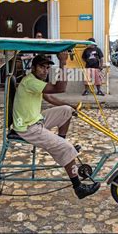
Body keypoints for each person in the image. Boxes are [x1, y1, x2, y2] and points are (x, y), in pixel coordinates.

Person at [12, 54, 100, 199]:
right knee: (67, 148)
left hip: (35, 120)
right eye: (41, 67)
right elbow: (60, 87)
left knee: (66, 111)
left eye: (47, 68)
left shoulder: (35, 81)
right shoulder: (31, 82)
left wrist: (71, 106)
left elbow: (50, 97)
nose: (45, 71)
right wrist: (63, 62)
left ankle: (61, 144)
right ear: (33, 68)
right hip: (28, 128)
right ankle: (78, 187)